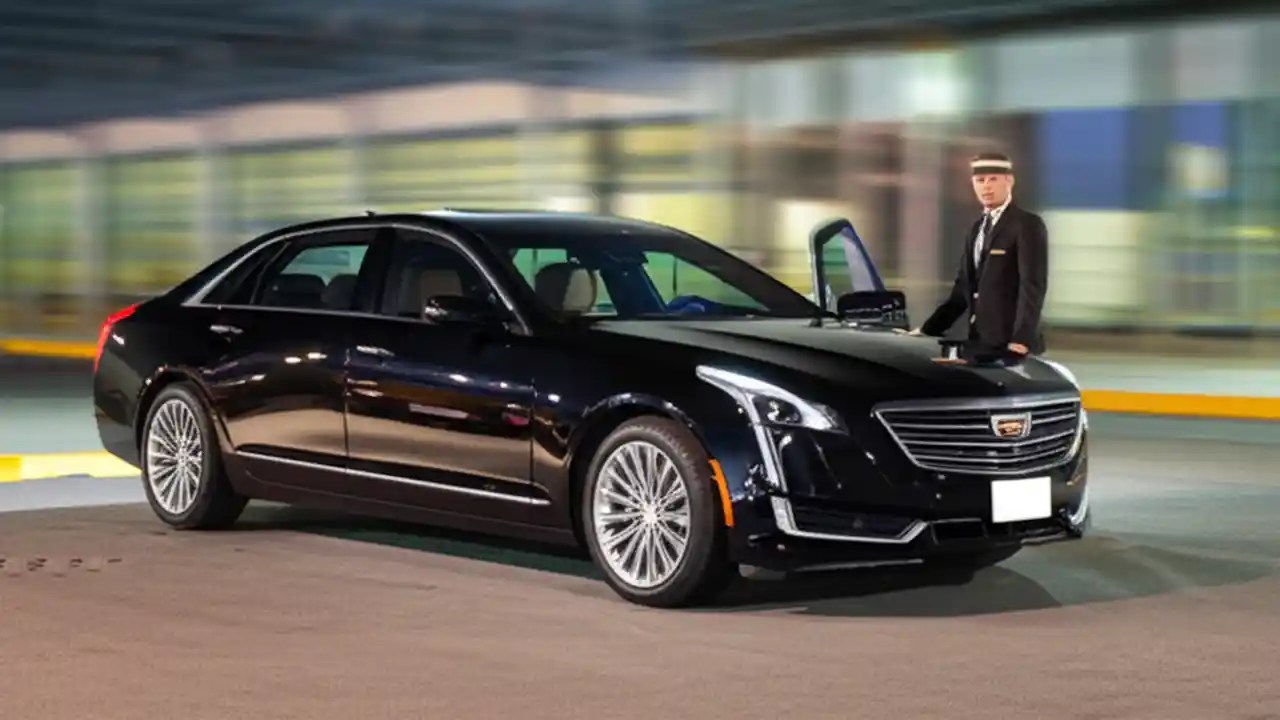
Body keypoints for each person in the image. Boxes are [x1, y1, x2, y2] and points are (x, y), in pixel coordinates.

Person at [912, 152, 1049, 357]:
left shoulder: (1026, 225)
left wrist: (1021, 339)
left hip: (1012, 346)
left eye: (993, 179)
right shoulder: (976, 229)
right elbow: (962, 291)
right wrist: (928, 329)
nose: (986, 187)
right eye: (980, 180)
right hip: (980, 343)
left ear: (1009, 181)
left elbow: (1032, 287)